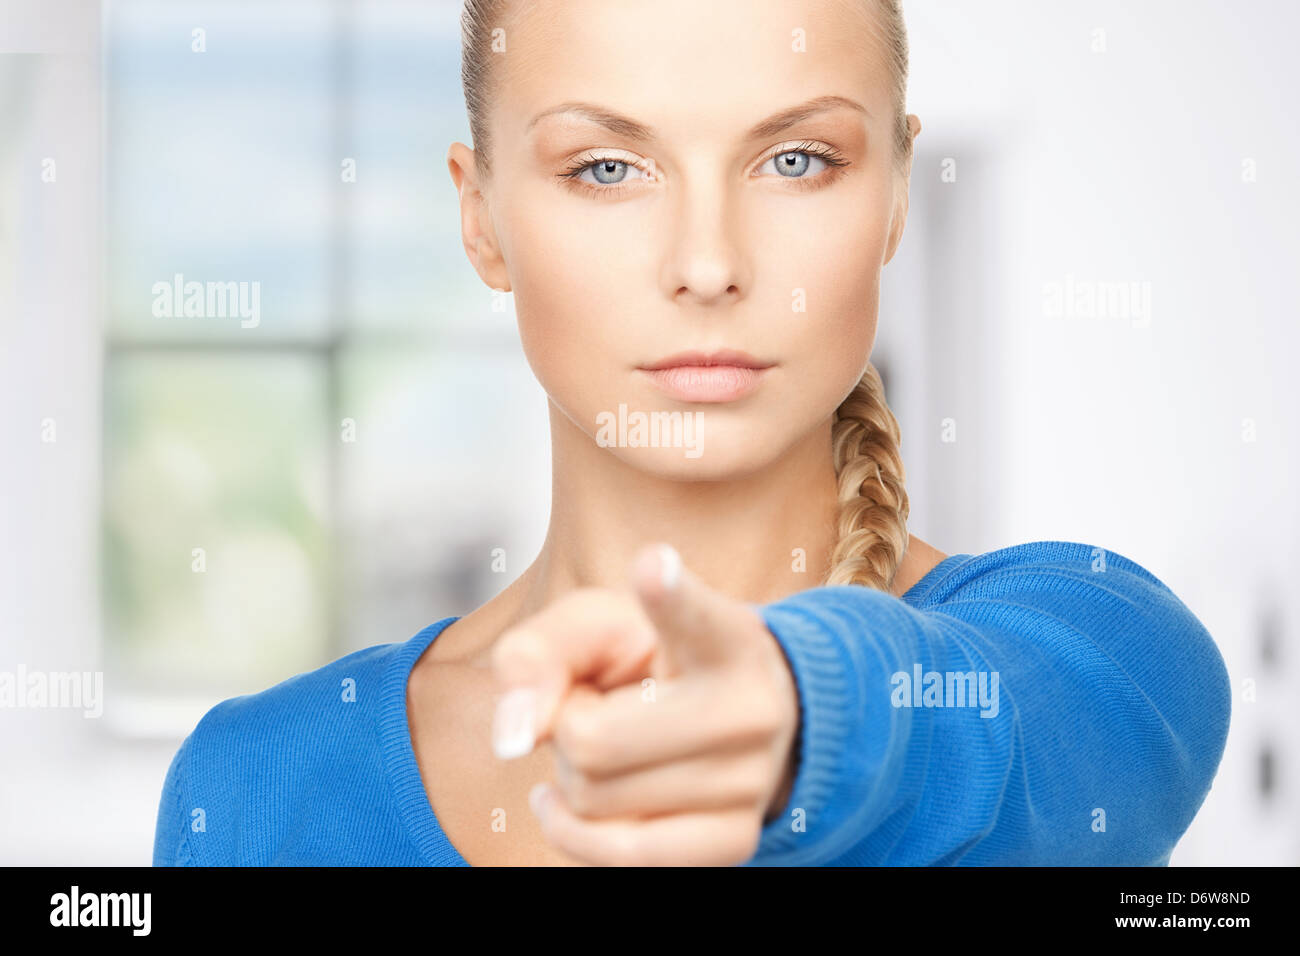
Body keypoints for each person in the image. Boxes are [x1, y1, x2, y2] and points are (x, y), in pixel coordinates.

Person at [152, 0, 1231, 866]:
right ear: (479, 215)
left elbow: (1045, 718)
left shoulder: (1106, 652)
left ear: (897, 192)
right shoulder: (252, 788)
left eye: (797, 159)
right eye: (607, 168)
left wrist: (800, 719)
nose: (708, 263)